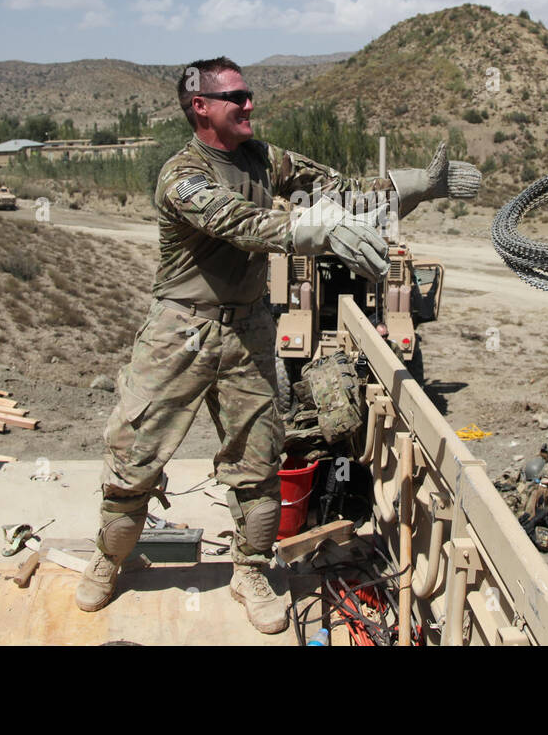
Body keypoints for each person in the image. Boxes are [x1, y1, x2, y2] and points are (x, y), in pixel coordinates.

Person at [77, 56, 481, 631]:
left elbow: (343, 189)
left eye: (248, 94)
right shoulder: (181, 174)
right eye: (235, 97)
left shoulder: (266, 158)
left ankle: (250, 570)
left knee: (259, 456)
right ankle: (108, 558)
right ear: (200, 106)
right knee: (136, 453)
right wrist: (320, 230)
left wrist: (419, 184)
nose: (248, 105)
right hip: (180, 329)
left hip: (249, 327)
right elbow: (241, 222)